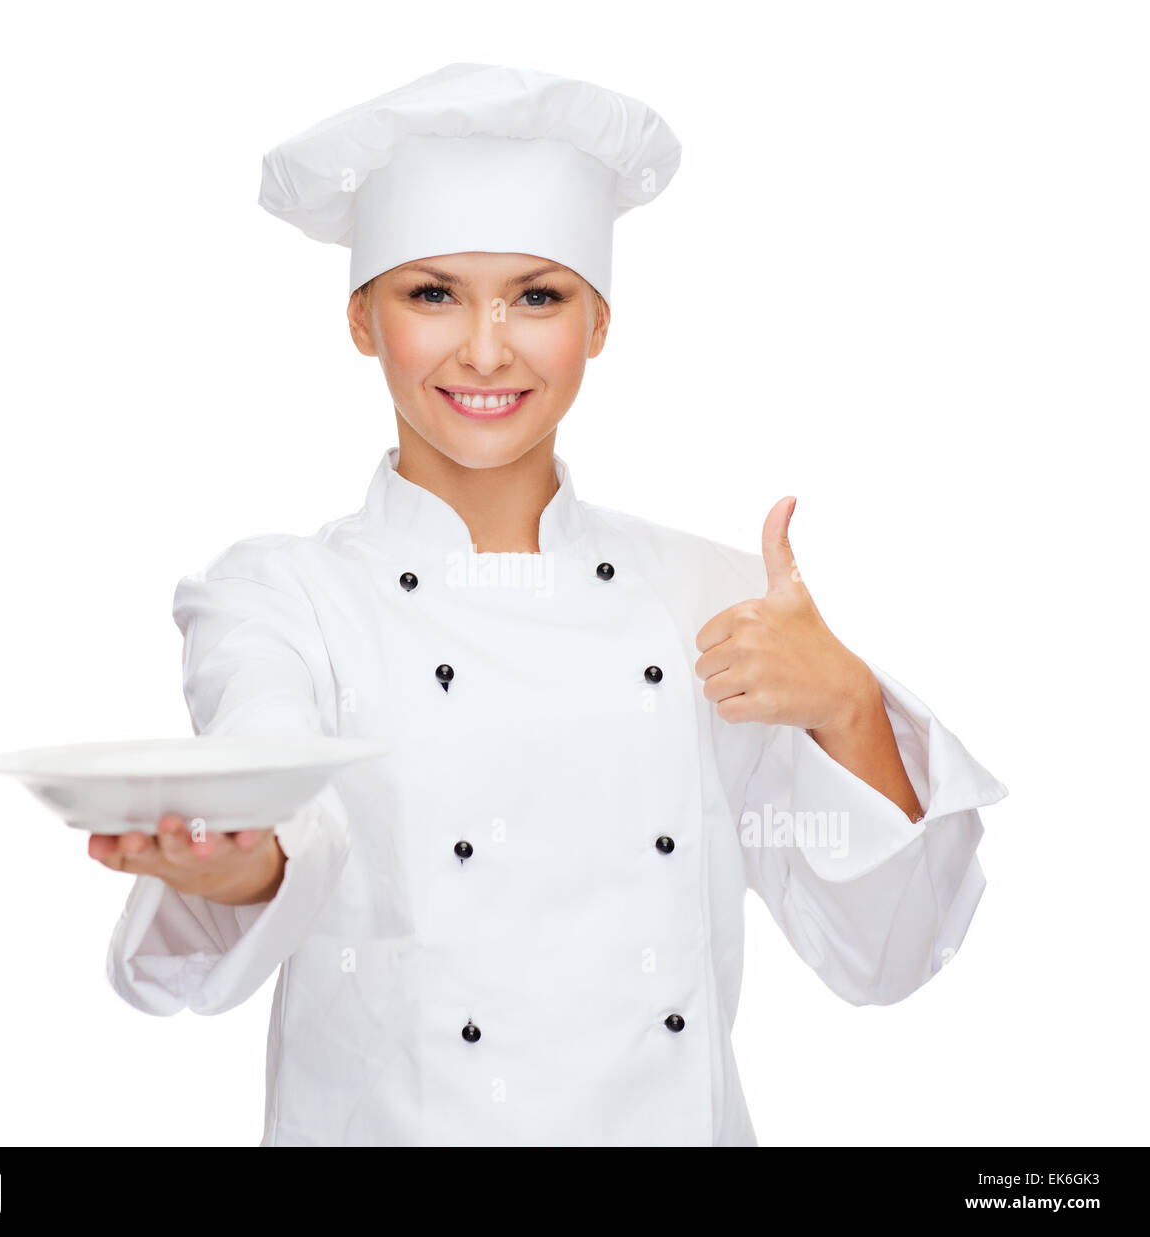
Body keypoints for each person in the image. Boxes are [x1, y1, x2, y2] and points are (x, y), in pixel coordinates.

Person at [88, 62, 1008, 1146]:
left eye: (538, 295)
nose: (486, 348)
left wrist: (847, 702)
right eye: (431, 293)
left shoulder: (709, 600)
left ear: (599, 321)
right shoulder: (284, 595)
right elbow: (274, 762)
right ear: (361, 320)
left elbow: (886, 956)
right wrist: (246, 857)